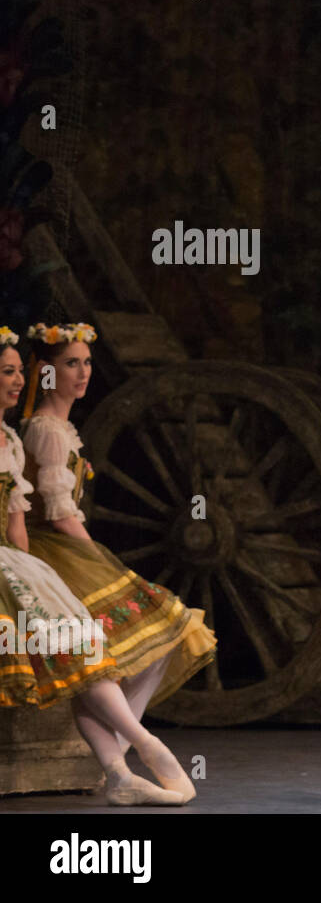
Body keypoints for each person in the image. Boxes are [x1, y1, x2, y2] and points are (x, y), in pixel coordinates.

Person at [0, 326, 194, 805]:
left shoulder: (9, 437)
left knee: (92, 655)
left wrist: (31, 578)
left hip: (21, 559)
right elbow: (53, 517)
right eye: (7, 372)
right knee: (87, 651)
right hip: (32, 557)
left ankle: (121, 765)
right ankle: (141, 751)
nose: (16, 380)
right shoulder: (40, 431)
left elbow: (15, 525)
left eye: (14, 371)